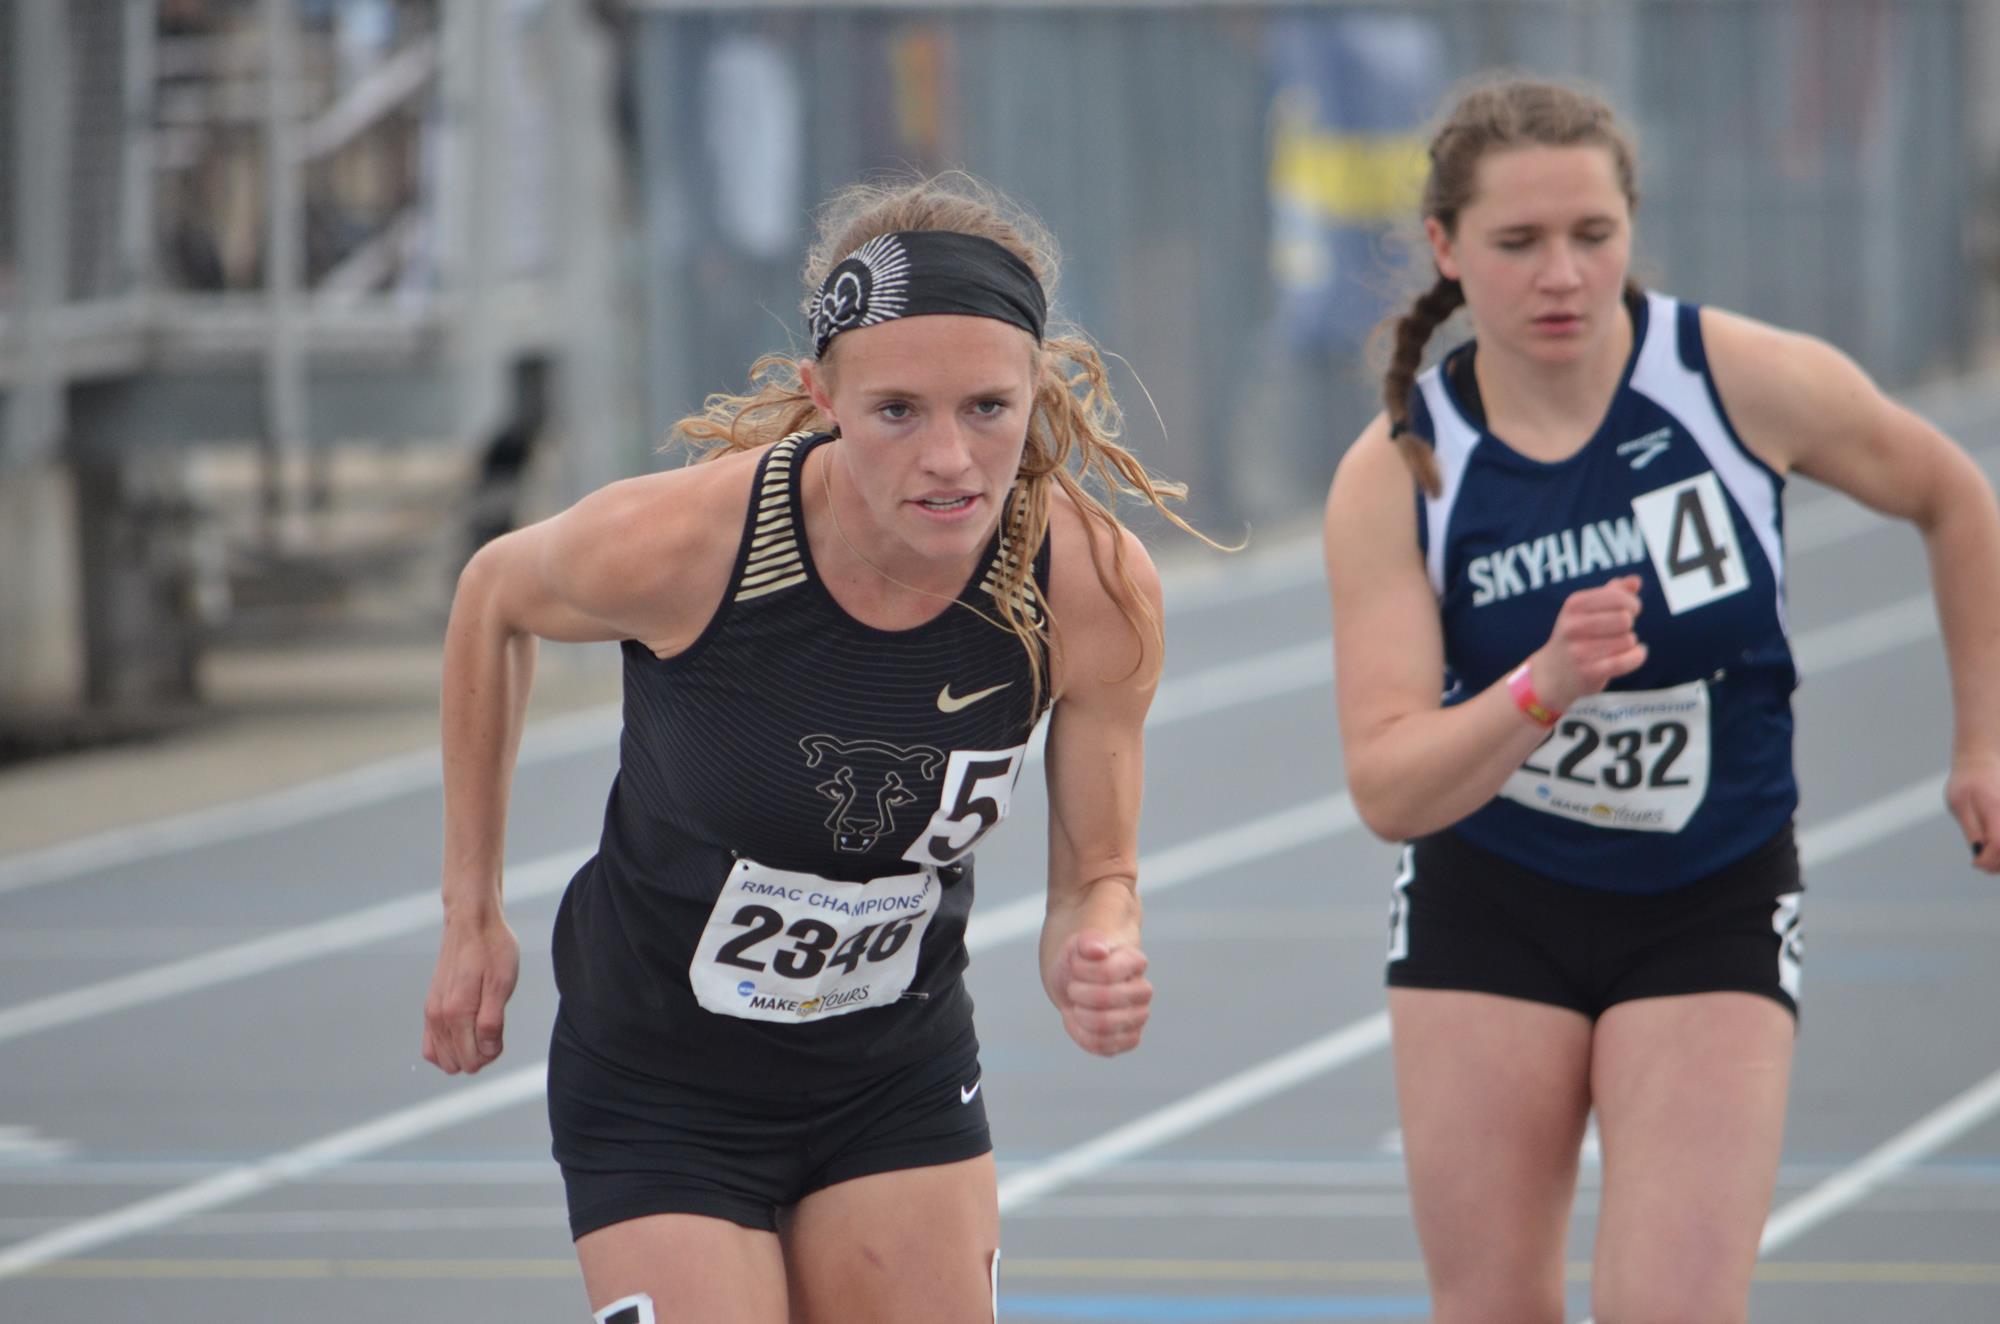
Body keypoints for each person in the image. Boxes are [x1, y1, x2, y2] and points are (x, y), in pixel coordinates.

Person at [421, 174, 1195, 1323]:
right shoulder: (687, 546)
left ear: (1036, 388)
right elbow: (492, 595)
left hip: (893, 1077)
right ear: (821, 394)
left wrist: (1098, 948)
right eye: (897, 412)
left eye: (987, 407)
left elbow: (1096, 877)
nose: (949, 457)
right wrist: (471, 910)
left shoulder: (1086, 587)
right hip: (661, 1083)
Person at [1321, 77, 2000, 1324]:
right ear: (1445, 249)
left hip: (1710, 894)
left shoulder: (1732, 380)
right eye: (1518, 242)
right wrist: (1539, 688)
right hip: (1490, 902)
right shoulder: (1400, 467)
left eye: (1592, 234)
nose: (1561, 275)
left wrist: (1983, 740)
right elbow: (1386, 786)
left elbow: (1953, 498)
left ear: (1630, 226)